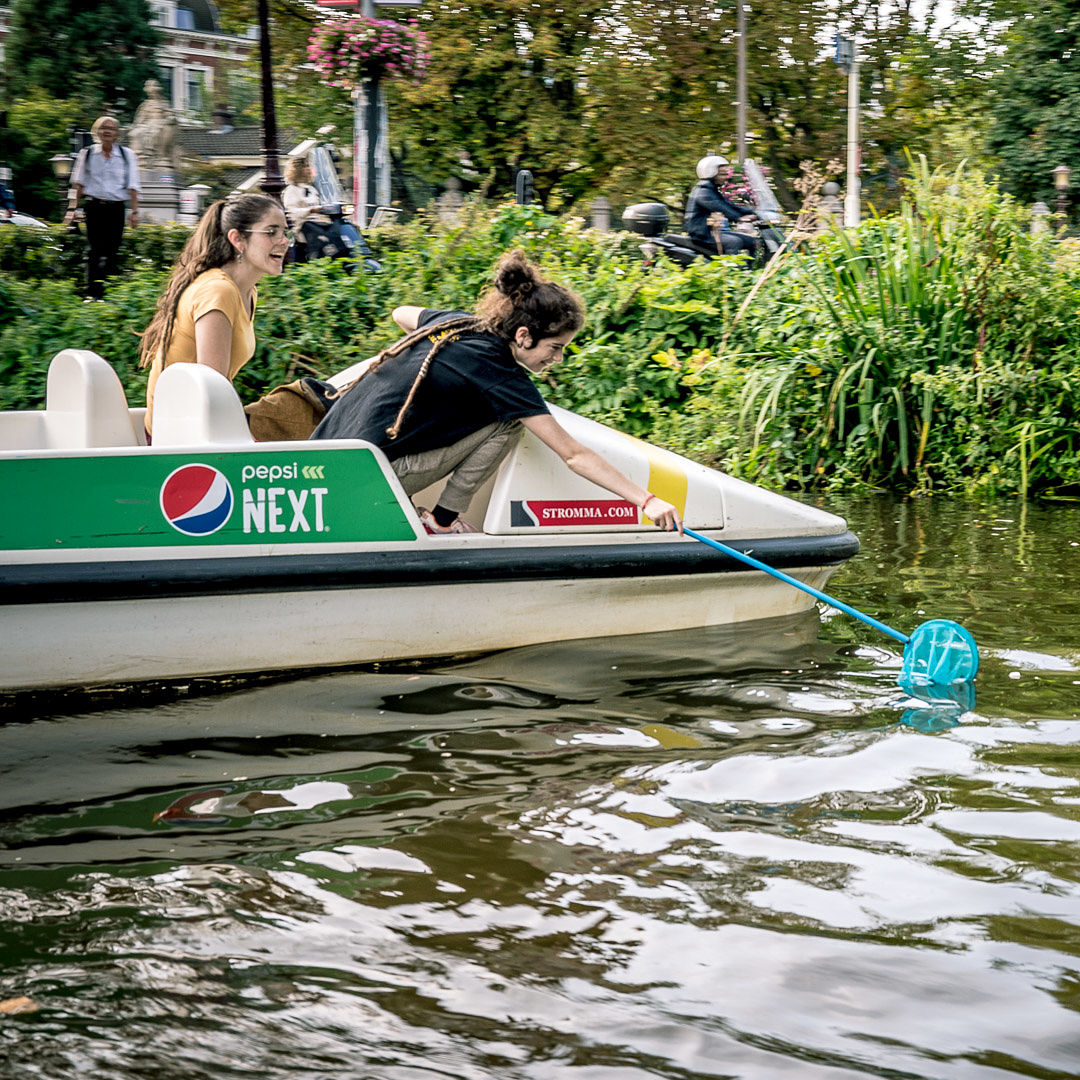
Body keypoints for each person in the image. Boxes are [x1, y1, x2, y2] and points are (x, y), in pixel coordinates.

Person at [311, 250, 683, 536]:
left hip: (326, 468)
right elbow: (573, 455)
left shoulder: (455, 324)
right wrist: (647, 501)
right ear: (523, 335)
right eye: (555, 347)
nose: (558, 359)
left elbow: (401, 313)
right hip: (368, 481)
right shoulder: (501, 374)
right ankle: (441, 522)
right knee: (509, 422)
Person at [139, 194, 292, 437]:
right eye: (271, 232)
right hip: (180, 437)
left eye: (285, 232)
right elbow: (211, 393)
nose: (284, 241)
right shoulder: (218, 291)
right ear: (237, 239)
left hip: (200, 426)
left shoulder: (247, 291)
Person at [65, 116, 141, 299]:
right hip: (94, 207)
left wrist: (134, 212)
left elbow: (133, 185)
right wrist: (72, 209)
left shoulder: (127, 155)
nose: (107, 131)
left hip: (116, 209)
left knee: (113, 251)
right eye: (103, 127)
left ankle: (110, 293)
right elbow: (78, 184)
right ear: (97, 131)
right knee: (93, 250)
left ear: (117, 133)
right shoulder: (87, 153)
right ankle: (92, 294)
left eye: (111, 128)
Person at [684, 155, 759, 260]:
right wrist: (739, 218)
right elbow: (720, 208)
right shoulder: (703, 192)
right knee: (734, 242)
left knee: (751, 241)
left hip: (709, 232)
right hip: (702, 235)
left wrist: (753, 212)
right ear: (712, 173)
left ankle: (751, 268)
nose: (726, 177)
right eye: (722, 174)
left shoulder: (711, 189)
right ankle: (730, 269)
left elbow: (728, 205)